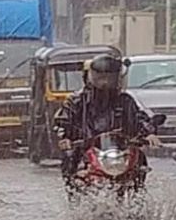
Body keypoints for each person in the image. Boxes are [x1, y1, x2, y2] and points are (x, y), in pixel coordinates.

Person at [54, 53, 159, 183]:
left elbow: (139, 117)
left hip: (119, 149)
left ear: (117, 78)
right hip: (87, 148)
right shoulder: (77, 100)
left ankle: (138, 194)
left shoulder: (125, 100)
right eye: (100, 77)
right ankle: (73, 192)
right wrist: (65, 137)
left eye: (109, 78)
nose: (105, 82)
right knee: (70, 156)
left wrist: (148, 133)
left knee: (139, 158)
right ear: (92, 76)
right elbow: (63, 120)